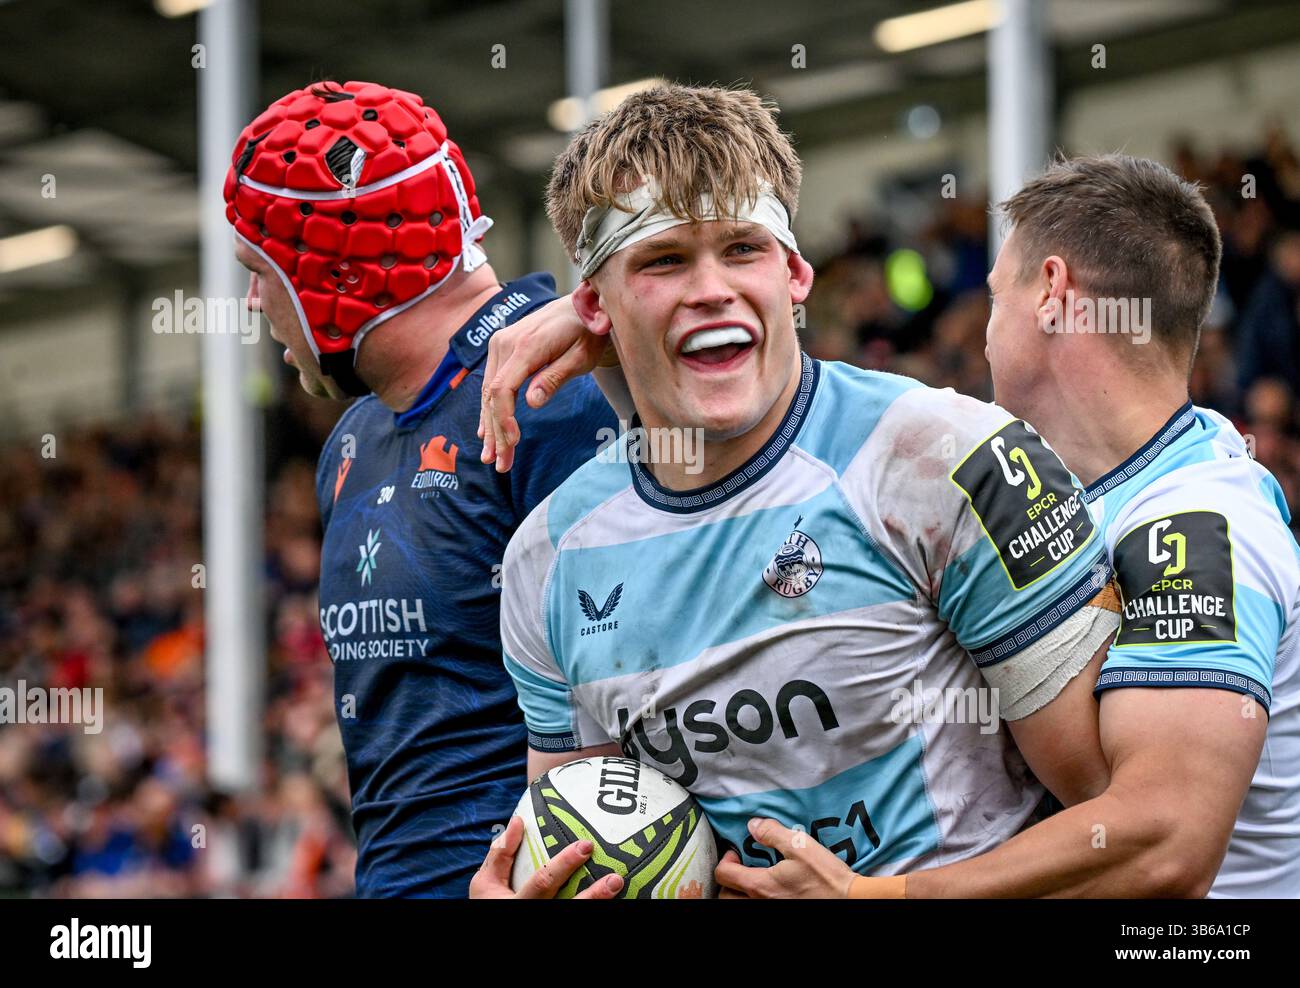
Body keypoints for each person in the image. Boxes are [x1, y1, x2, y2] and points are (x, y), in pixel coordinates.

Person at [469, 83, 1122, 900]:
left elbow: (1118, 829)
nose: (711, 288)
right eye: (664, 260)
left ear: (796, 272)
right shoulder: (547, 559)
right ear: (593, 306)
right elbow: (586, 851)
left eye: (742, 248)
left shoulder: (946, 457)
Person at [225, 80, 616, 897]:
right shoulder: (352, 443)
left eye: (260, 273)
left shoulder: (561, 398)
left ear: (328, 273)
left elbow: (652, 707)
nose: (254, 302)